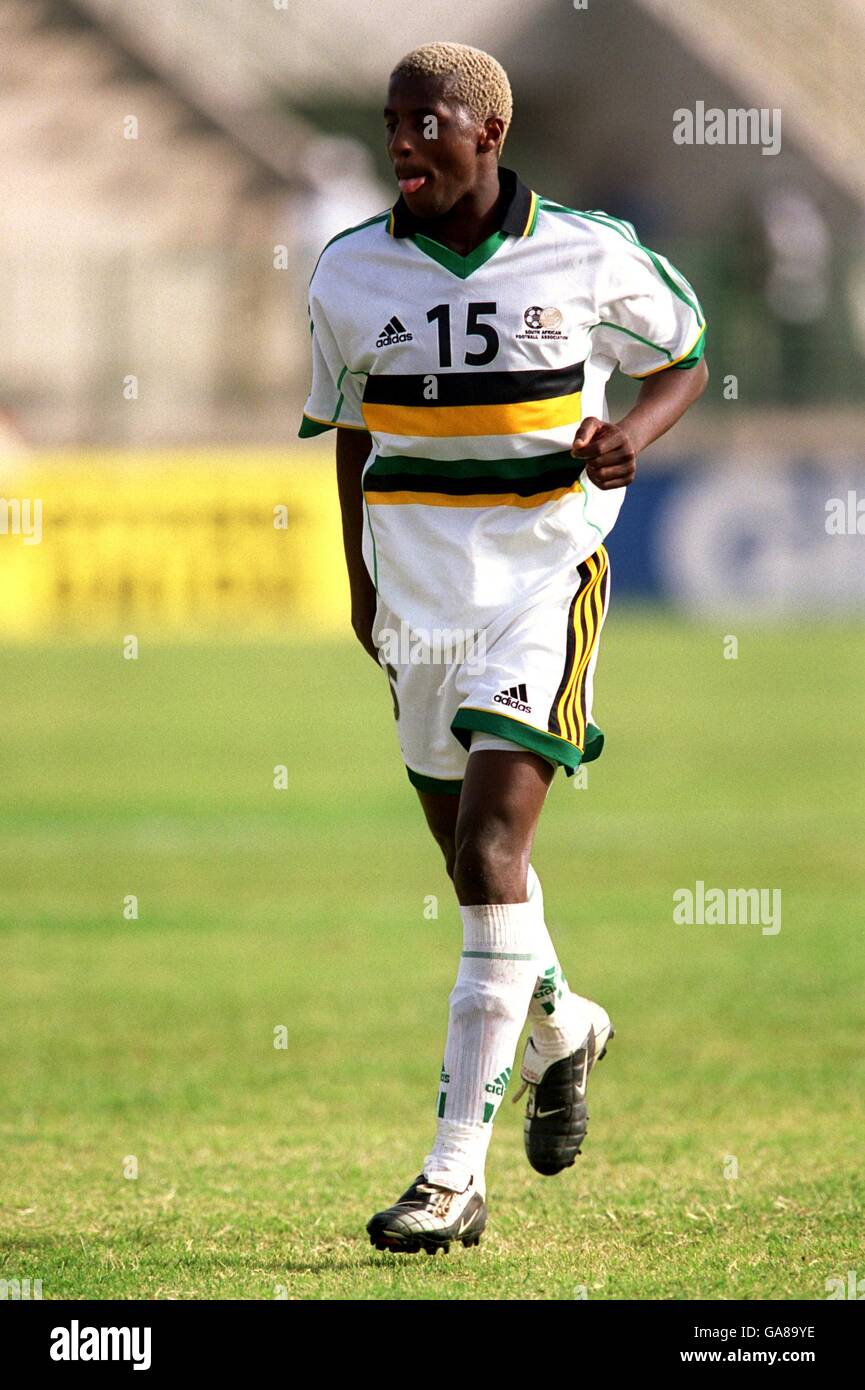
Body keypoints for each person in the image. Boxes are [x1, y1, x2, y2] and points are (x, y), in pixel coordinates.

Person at [298, 41, 708, 1255]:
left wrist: (632, 430)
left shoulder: (585, 249)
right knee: (471, 869)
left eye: (424, 122)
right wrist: (359, 577)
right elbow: (350, 430)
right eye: (391, 123)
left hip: (543, 578)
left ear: (487, 131)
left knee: (489, 849)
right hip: (417, 597)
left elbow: (683, 353)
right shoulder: (347, 271)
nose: (401, 144)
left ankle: (449, 1179)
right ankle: (559, 1026)